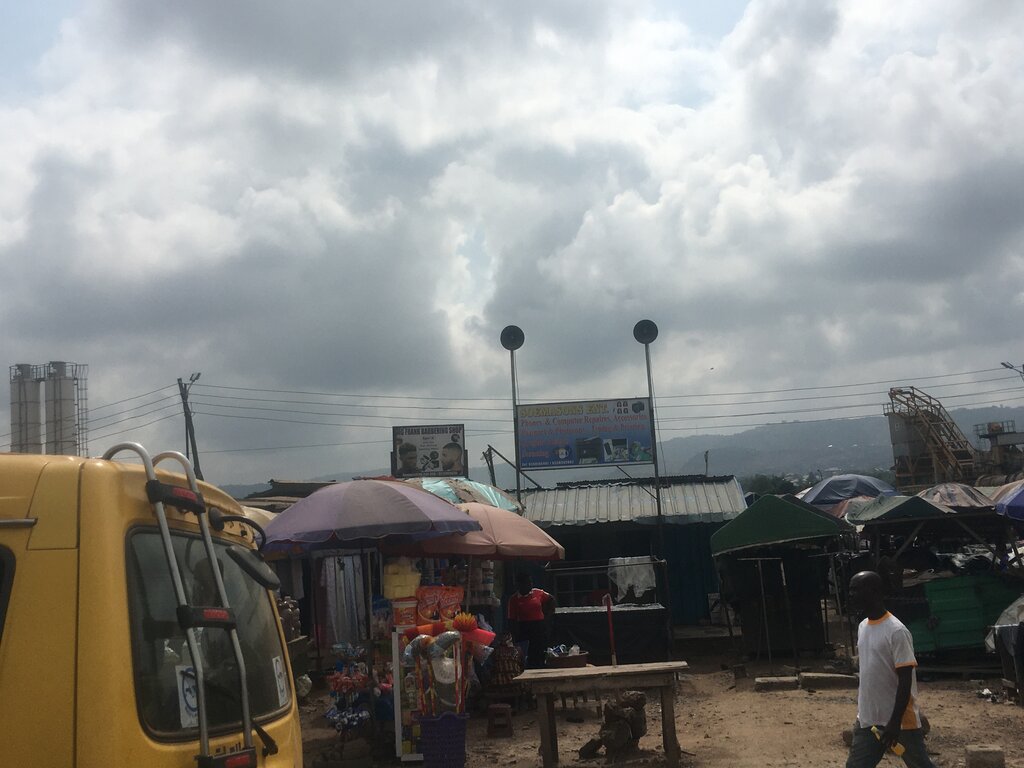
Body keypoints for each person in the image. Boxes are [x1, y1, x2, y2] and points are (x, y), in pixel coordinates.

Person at [845, 570, 935, 768]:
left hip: (900, 721)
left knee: (920, 764)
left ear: (875, 591)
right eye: (850, 591)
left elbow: (905, 680)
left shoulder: (896, 631)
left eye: (856, 590)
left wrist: (894, 722)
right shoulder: (862, 627)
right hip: (868, 719)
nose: (851, 596)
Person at [506, 573, 554, 669]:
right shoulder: (514, 599)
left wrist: (547, 615)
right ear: (519, 584)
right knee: (528, 654)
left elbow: (551, 599)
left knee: (540, 650)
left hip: (539, 626)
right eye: (527, 583)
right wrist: (513, 636)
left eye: (531, 582)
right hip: (524, 627)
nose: (530, 585)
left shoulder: (538, 593)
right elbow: (512, 619)